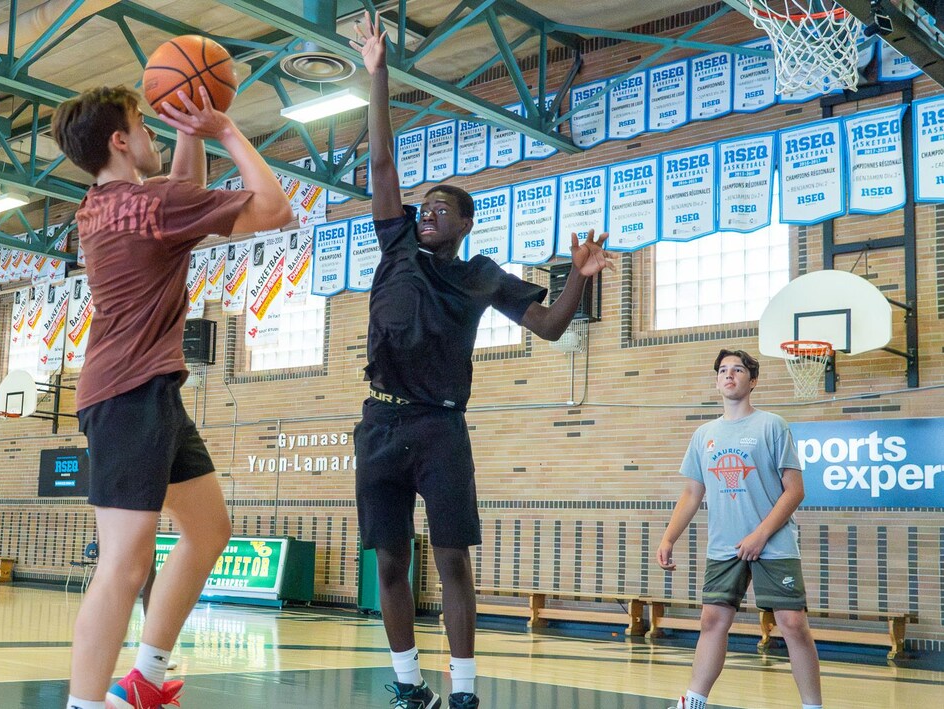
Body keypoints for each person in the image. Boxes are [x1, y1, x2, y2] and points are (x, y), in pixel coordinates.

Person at [350, 15, 611, 709]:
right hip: (380, 421)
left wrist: (580, 275)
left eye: (443, 209)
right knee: (389, 560)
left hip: (440, 426)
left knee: (451, 558)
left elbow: (552, 327)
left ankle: (463, 691)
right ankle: (409, 683)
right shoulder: (395, 243)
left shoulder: (483, 275)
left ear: (465, 226)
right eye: (426, 204)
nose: (429, 211)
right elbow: (381, 163)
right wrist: (378, 69)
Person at [51, 83, 291, 709]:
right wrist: (224, 132)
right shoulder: (156, 204)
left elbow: (178, 195)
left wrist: (185, 133)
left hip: (142, 389)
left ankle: (145, 681)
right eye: (145, 126)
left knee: (209, 531)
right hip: (130, 392)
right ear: (121, 140)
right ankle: (82, 704)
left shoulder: (97, 205)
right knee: (123, 566)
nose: (153, 136)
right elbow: (275, 209)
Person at [657, 349, 822, 709]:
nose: (729, 375)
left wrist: (760, 534)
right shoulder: (704, 435)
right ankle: (694, 702)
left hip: (773, 544)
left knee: (792, 623)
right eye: (723, 370)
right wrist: (669, 537)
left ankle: (813, 706)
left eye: (738, 369)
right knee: (712, 620)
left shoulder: (772, 426)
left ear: (753, 380)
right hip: (724, 546)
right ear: (717, 380)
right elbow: (691, 493)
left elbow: (795, 491)